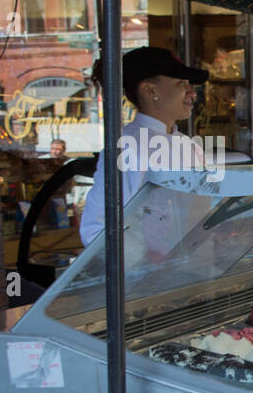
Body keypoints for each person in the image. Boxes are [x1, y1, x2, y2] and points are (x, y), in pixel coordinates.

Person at [79, 46, 209, 245]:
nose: (192, 92)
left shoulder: (190, 147)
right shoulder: (129, 147)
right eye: (181, 83)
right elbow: (97, 230)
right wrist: (146, 259)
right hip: (149, 272)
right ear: (150, 90)